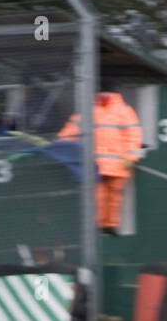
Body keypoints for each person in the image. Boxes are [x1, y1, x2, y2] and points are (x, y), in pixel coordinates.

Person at [56, 79, 142, 233]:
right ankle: (100, 227)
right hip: (99, 165)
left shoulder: (122, 111)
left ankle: (109, 226)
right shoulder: (91, 110)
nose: (103, 96)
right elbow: (72, 130)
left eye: (105, 93)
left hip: (116, 165)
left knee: (113, 198)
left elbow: (133, 136)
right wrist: (60, 143)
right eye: (101, 93)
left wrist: (130, 157)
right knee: (99, 198)